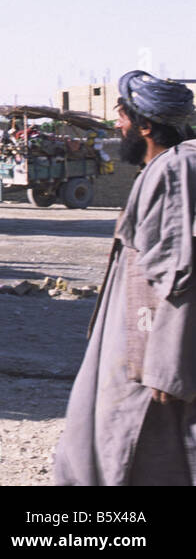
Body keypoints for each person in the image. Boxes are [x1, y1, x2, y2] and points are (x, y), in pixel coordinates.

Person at [54, 71, 196, 485]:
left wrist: (169, 364)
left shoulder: (175, 169)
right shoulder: (165, 167)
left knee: (137, 443)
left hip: (150, 348)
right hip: (133, 336)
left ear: (146, 125)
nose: (118, 125)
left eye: (122, 116)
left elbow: (179, 270)